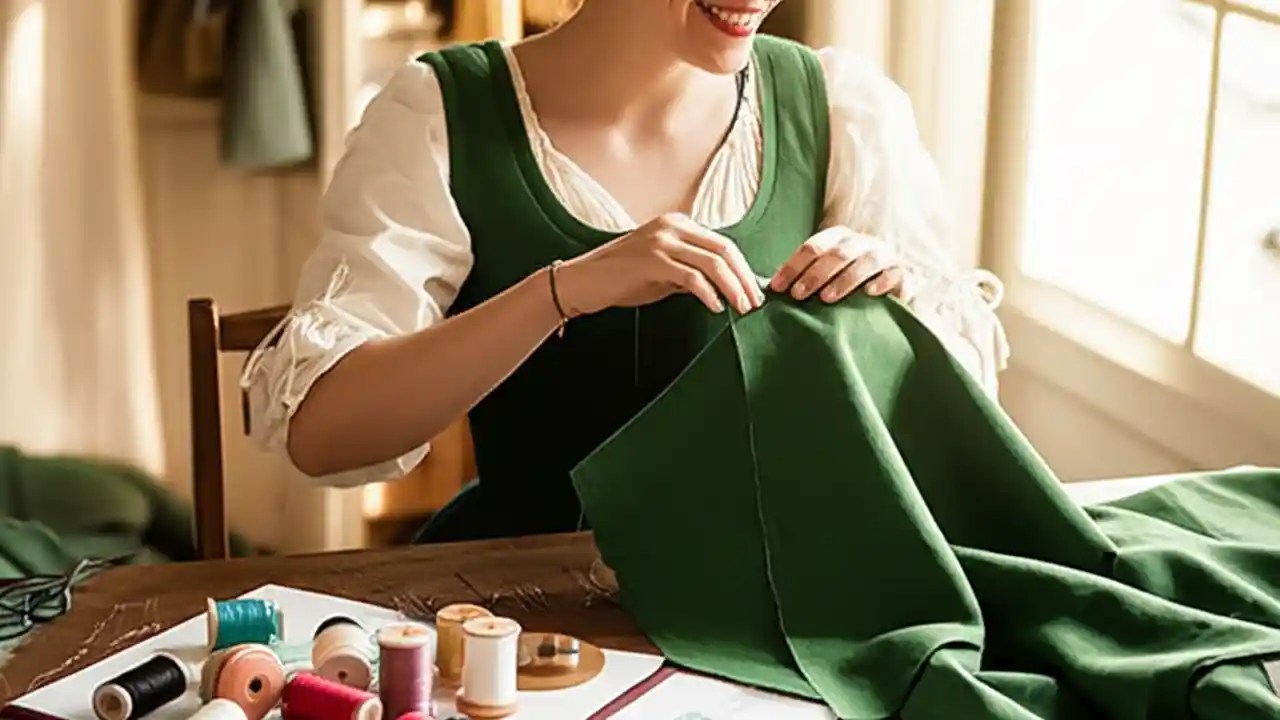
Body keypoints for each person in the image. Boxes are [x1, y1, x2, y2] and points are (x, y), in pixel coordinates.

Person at [241, 0, 1009, 543]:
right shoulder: (439, 115)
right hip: (526, 612)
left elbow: (952, 426)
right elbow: (323, 434)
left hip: (775, 606)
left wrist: (890, 308)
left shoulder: (843, 110)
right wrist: (562, 291)